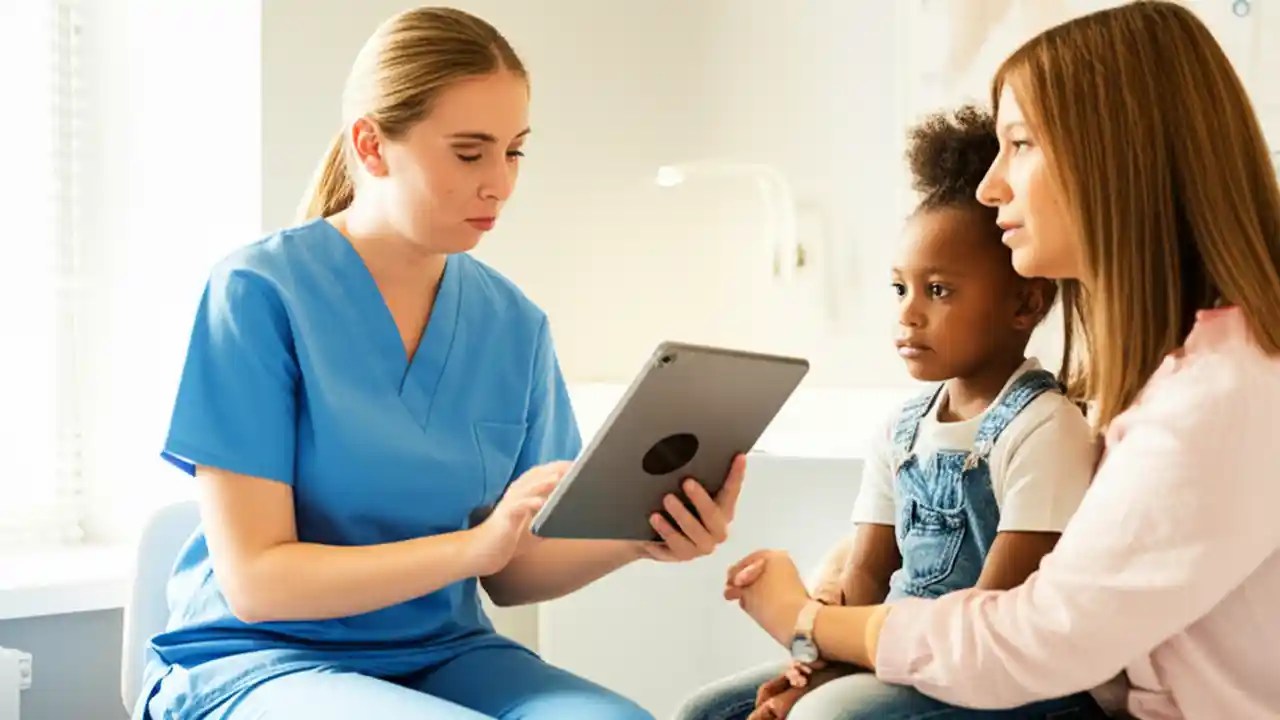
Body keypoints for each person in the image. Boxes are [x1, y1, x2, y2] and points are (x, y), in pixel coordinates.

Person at [134, 7, 747, 719]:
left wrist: (641, 537)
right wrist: (469, 548)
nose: (500, 183)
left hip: (444, 652)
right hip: (262, 657)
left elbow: (514, 569)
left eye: (515, 151)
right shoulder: (259, 294)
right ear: (371, 144)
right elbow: (258, 582)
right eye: (469, 152)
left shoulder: (512, 324)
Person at [723, 2, 1280, 719]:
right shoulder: (1158, 380)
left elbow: (1034, 637)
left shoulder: (1221, 396)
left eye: (1018, 145)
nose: (991, 188)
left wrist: (806, 620)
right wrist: (838, 601)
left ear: (1114, 158)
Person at [675, 106, 1100, 720]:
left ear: (1024, 304)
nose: (907, 315)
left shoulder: (1043, 428)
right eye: (900, 288)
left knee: (830, 716)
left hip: (999, 674)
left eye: (939, 291)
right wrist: (806, 671)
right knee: (705, 711)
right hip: (892, 655)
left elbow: (994, 617)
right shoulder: (901, 432)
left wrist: (819, 674)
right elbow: (867, 576)